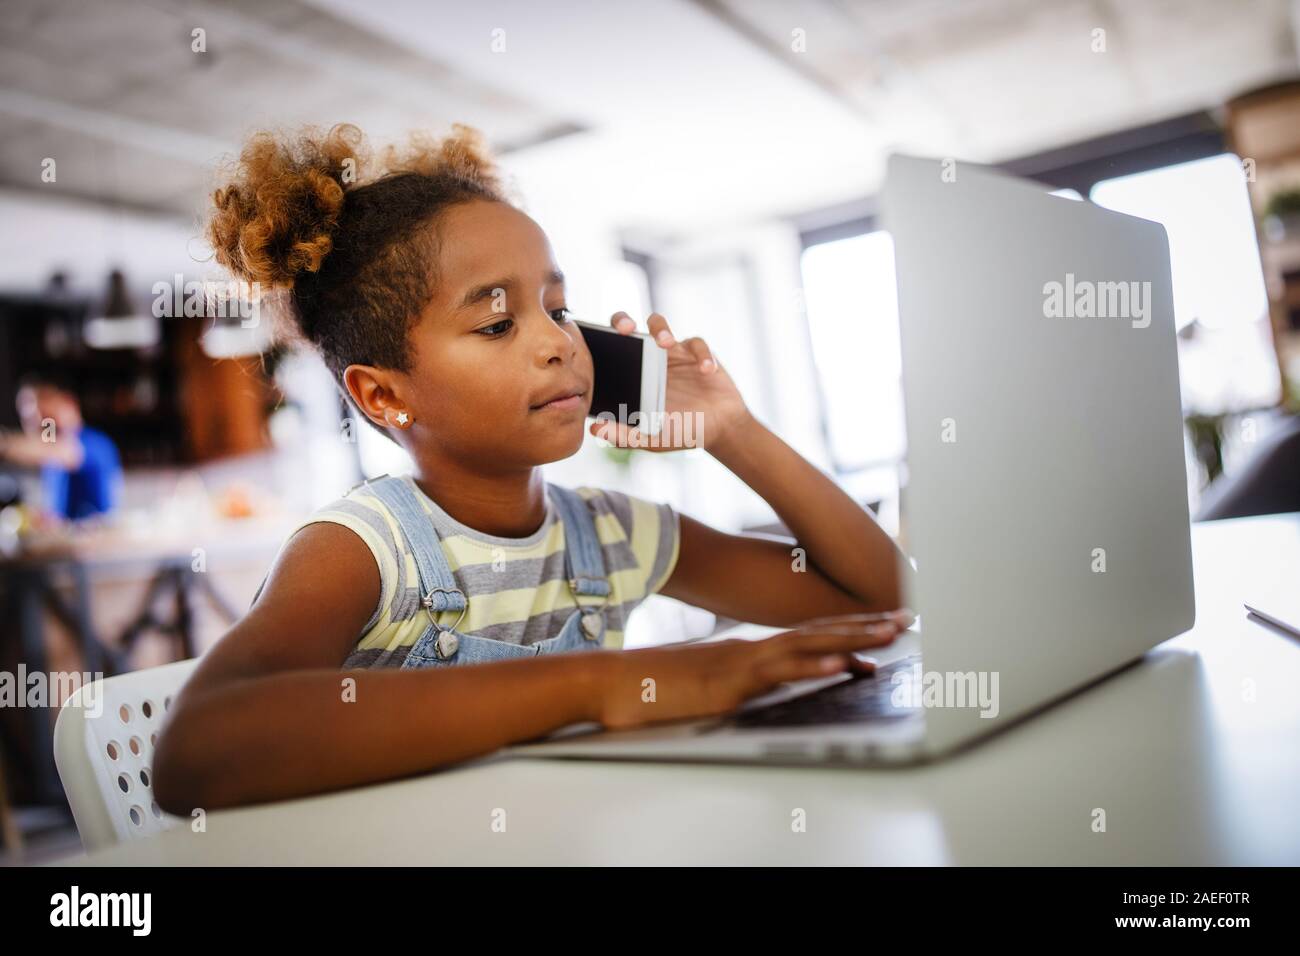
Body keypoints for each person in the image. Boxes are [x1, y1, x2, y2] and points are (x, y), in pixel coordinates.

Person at [153, 123, 912, 812]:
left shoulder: (609, 534)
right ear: (383, 395)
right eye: (496, 322)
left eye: (557, 307)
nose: (557, 342)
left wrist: (733, 431)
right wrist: (599, 684)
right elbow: (197, 753)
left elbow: (880, 591)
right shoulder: (364, 549)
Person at [4, 382, 121, 520]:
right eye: (29, 420)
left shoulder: (94, 443)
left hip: (96, 535)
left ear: (68, 403)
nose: (37, 426)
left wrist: (5, 444)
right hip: (64, 536)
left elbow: (66, 453)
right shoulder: (52, 449)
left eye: (46, 416)